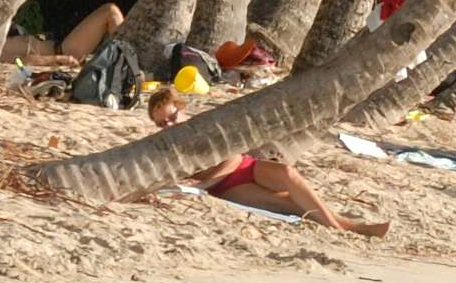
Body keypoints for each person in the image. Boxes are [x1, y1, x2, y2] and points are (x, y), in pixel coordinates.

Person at [144, 84, 387, 237]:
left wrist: (203, 185)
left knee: (289, 175)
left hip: (245, 168)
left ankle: (342, 227)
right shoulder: (168, 148)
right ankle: (351, 228)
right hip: (229, 188)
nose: (170, 125)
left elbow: (233, 157)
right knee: (288, 204)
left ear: (181, 108)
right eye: (162, 123)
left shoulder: (203, 127)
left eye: (172, 117)